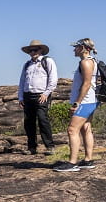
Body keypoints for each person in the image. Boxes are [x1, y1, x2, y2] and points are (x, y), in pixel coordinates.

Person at [54, 38, 100, 172]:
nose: (74, 50)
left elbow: (86, 84)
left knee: (72, 130)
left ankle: (72, 163)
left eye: (76, 47)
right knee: (86, 128)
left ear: (83, 48)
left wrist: (77, 103)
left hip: (85, 102)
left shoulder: (86, 63)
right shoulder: (92, 61)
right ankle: (88, 160)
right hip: (90, 101)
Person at [18, 39, 58, 155]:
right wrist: (20, 97)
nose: (33, 52)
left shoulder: (48, 61)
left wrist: (46, 93)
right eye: (31, 50)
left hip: (41, 95)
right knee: (28, 122)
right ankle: (32, 147)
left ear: (41, 50)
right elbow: (22, 81)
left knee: (42, 119)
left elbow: (53, 78)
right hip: (27, 95)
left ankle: (50, 146)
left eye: (35, 50)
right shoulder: (27, 65)